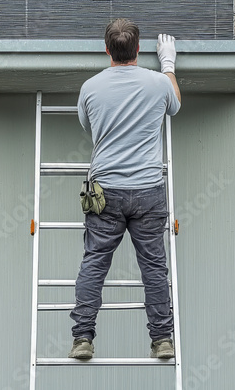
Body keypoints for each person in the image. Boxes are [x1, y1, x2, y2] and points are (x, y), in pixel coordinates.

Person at [67, 18, 182, 361]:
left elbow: (87, 124)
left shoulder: (90, 87)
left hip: (105, 193)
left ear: (107, 50)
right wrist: (168, 63)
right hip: (148, 189)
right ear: (138, 48)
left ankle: (82, 339)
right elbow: (175, 104)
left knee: (94, 265)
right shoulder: (159, 83)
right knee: (154, 267)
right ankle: (162, 340)